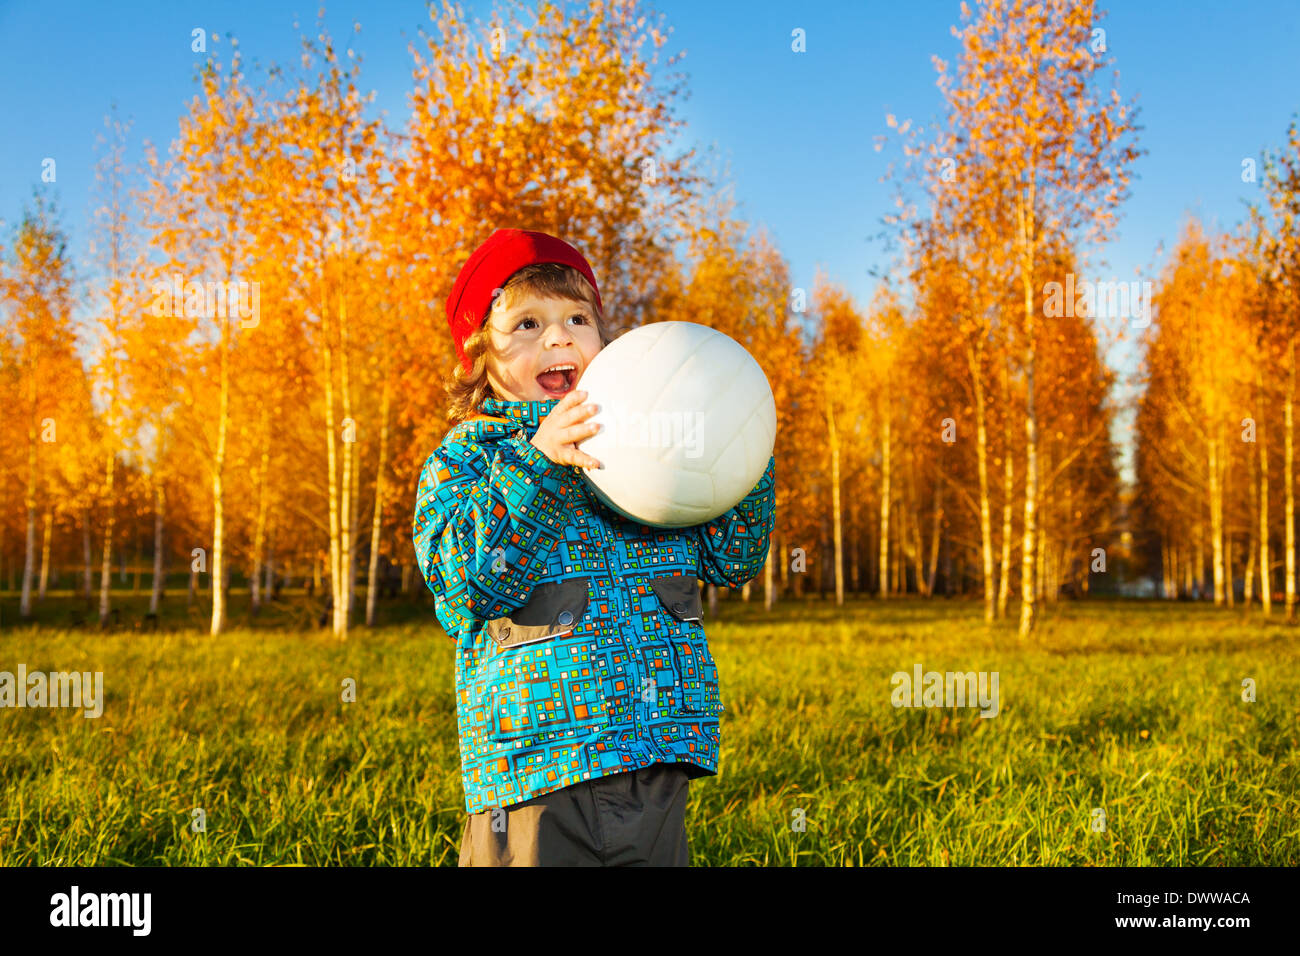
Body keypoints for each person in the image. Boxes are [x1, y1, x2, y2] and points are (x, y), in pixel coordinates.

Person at [412, 229, 775, 866]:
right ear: (479, 361)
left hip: (657, 757)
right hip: (532, 774)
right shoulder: (465, 461)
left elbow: (732, 559)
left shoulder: (654, 450)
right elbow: (465, 586)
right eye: (527, 323)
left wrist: (736, 452)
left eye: (578, 318)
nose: (558, 337)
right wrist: (539, 465)